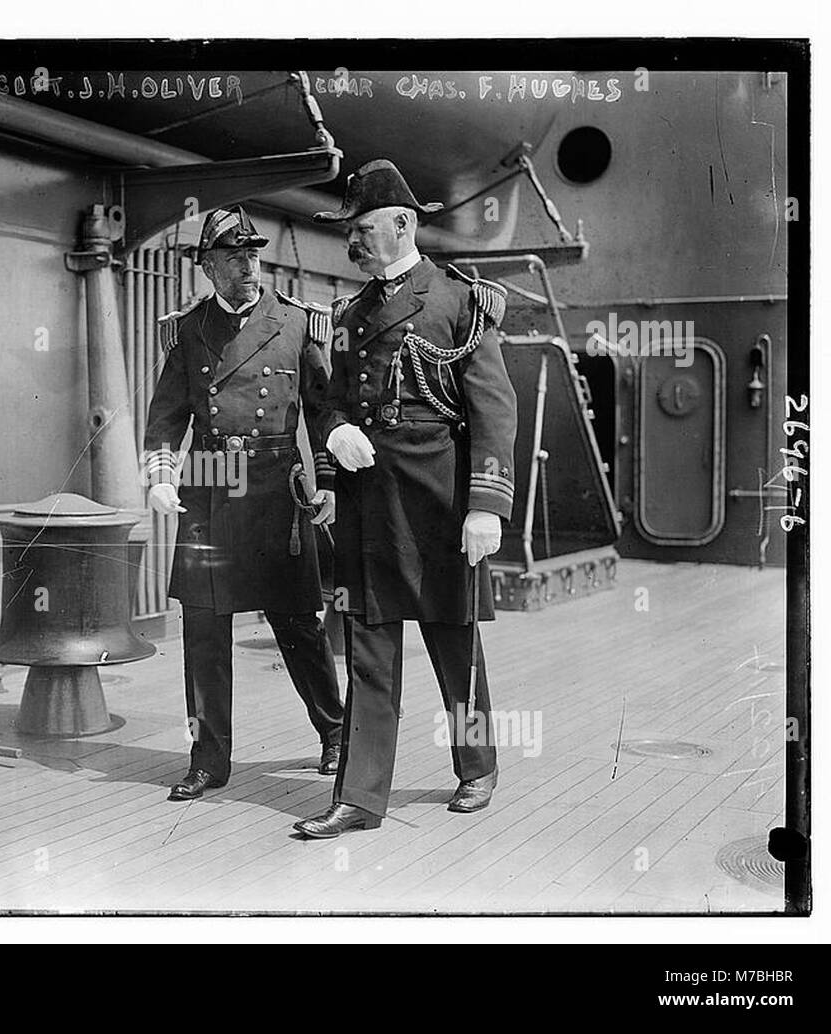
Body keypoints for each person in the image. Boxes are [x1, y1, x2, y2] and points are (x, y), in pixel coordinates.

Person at [293, 160, 518, 838]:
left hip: (441, 502)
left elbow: (494, 408)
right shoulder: (349, 314)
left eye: (363, 231)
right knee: (368, 648)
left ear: (402, 224)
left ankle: (476, 764)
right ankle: (359, 798)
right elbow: (324, 398)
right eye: (350, 233)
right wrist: (334, 435)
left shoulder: (457, 301)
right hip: (371, 505)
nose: (353, 245)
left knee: (456, 643)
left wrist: (487, 505)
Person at [143, 206, 345, 801]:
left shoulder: (297, 322)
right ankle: (208, 758)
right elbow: (165, 416)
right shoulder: (189, 331)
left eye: (252, 255)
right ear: (206, 266)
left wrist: (327, 481)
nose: (246, 267)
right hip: (209, 491)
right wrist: (159, 474)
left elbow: (323, 406)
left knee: (296, 625)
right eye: (231, 258)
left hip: (275, 493)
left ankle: (335, 734)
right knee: (204, 630)